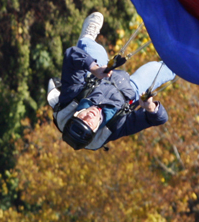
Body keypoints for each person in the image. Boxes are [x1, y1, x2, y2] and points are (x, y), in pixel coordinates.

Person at [47, 12, 173, 151]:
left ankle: (87, 38)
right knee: (165, 69)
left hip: (97, 76)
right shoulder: (114, 127)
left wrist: (94, 68)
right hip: (131, 90)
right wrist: (150, 107)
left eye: (83, 117)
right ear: (95, 129)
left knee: (92, 49)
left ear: (76, 113)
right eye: (90, 124)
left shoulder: (72, 97)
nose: (89, 116)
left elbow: (71, 55)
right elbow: (160, 119)